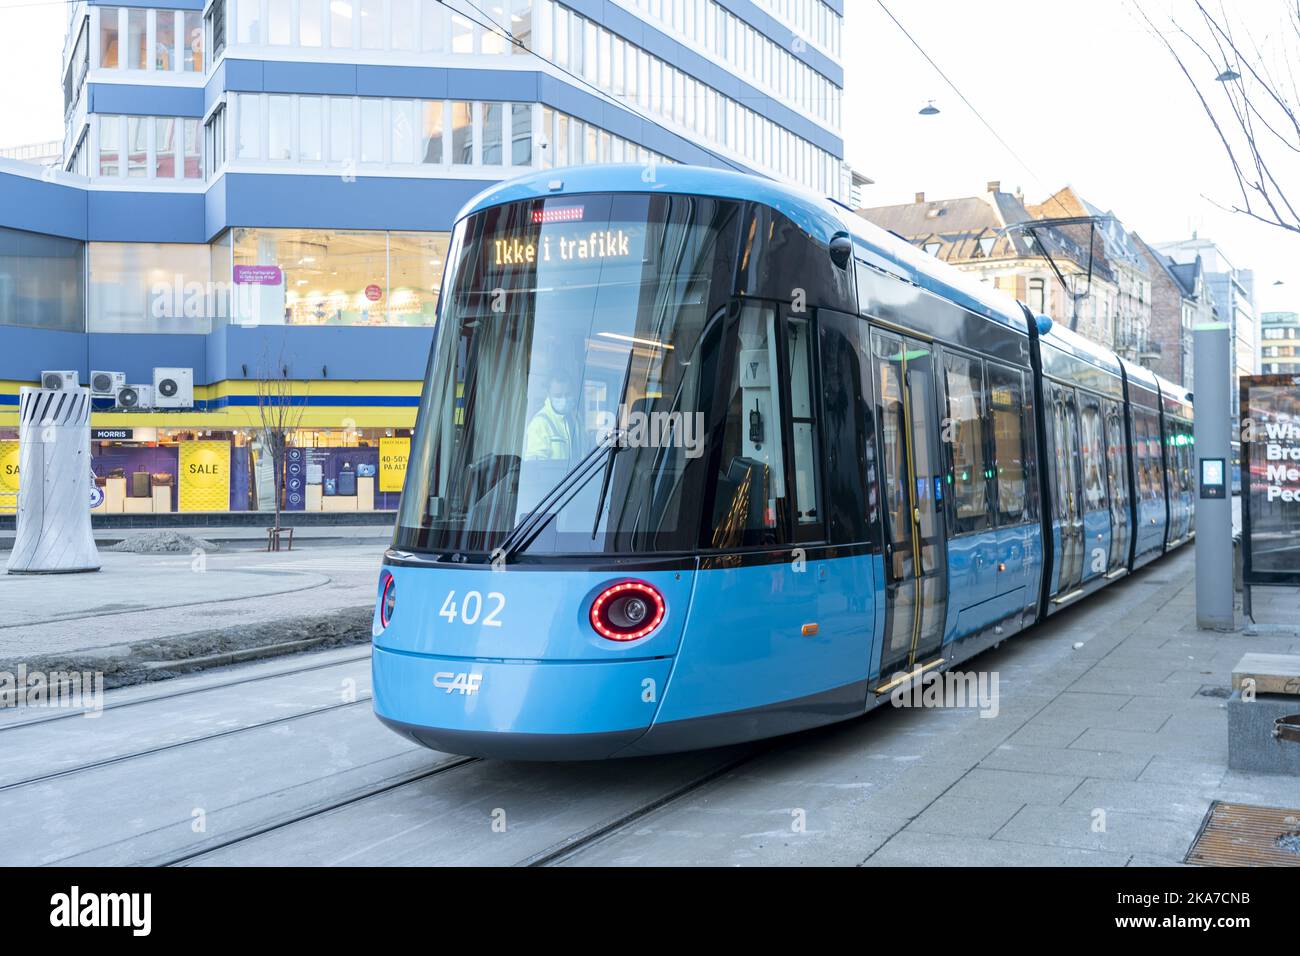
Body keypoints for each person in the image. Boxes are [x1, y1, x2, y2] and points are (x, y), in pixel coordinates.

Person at [524, 376, 578, 461]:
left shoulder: (576, 418)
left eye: (567, 394)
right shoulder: (540, 423)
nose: (564, 399)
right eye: (558, 395)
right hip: (562, 474)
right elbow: (536, 466)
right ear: (548, 394)